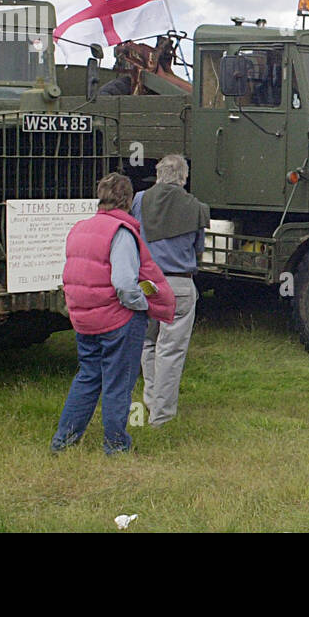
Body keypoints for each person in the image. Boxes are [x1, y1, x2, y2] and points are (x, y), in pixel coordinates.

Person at [52, 173, 175, 454]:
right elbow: (123, 282)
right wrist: (142, 305)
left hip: (84, 318)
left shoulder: (80, 228)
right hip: (117, 319)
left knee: (88, 377)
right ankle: (116, 445)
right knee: (118, 383)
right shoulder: (121, 231)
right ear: (129, 200)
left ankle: (64, 442)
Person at [132, 154, 209, 427]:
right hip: (179, 283)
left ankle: (151, 403)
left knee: (147, 342)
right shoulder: (198, 208)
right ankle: (161, 417)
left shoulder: (140, 200)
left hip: (147, 283)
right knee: (171, 350)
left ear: (158, 173)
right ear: (184, 178)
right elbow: (198, 250)